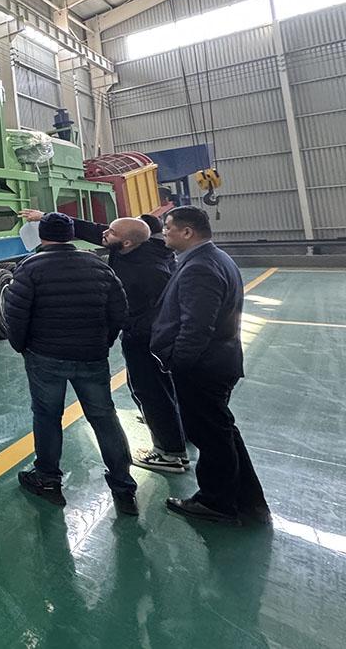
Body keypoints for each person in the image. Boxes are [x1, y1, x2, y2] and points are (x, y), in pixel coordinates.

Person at [19, 209, 185, 474]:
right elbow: (94, 230)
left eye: (111, 232)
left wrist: (124, 331)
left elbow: (137, 311)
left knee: (152, 391)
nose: (104, 234)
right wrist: (46, 215)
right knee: (115, 406)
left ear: (127, 242)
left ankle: (171, 452)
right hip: (115, 343)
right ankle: (146, 457)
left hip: (147, 339)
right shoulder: (127, 250)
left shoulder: (150, 271)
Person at [3, 212, 138, 515]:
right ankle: (123, 486)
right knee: (104, 418)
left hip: (45, 356)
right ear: (71, 235)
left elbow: (16, 314)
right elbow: (119, 310)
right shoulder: (97, 266)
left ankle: (47, 478)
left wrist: (22, 346)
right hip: (91, 356)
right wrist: (103, 342)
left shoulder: (30, 268)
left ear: (41, 236)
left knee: (47, 416)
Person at [153, 206, 269, 525]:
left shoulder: (200, 268)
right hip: (218, 361)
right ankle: (247, 499)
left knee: (211, 436)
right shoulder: (215, 258)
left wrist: (179, 363)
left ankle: (216, 502)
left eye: (168, 227)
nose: (164, 232)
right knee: (221, 430)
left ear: (187, 232)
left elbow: (196, 327)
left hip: (203, 367)